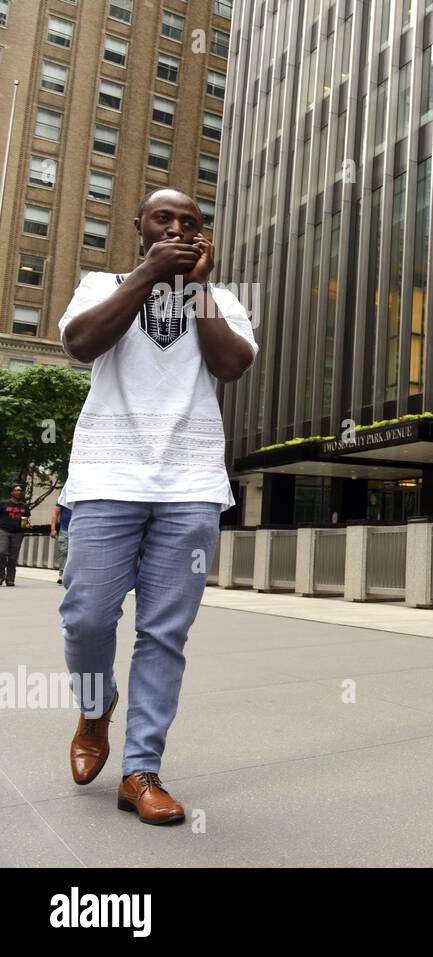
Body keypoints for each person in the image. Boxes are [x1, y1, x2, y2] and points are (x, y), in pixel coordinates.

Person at [57, 187, 258, 826]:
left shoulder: (221, 300)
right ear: (139, 225)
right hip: (106, 478)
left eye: (191, 222)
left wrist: (197, 290)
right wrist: (147, 275)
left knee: (163, 633)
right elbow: (81, 344)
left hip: (191, 485)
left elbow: (231, 366)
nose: (178, 227)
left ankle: (141, 770)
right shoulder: (100, 284)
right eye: (163, 218)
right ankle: (97, 706)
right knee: (86, 616)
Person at [0, 484, 32, 586]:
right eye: (16, 490)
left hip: (18, 533)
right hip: (3, 531)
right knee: (2, 552)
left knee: (13, 556)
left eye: (20, 490)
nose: (19, 492)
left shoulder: (24, 506)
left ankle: (10, 578)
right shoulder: (3, 504)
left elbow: (25, 521)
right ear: (12, 492)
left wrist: (27, 525)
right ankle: (1, 575)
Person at [51, 488, 73, 585]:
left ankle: (73, 575)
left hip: (78, 530)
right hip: (65, 530)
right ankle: (62, 575)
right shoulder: (63, 500)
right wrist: (53, 529)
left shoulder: (81, 500)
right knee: (64, 552)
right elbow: (55, 514)